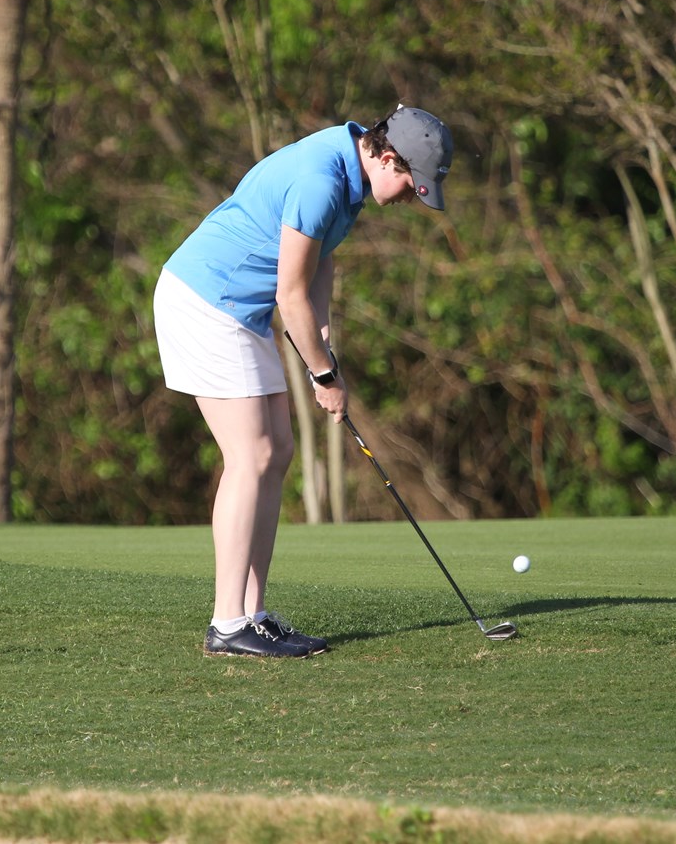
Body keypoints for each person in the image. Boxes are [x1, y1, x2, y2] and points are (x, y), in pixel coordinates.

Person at [153, 105, 455, 658]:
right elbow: (289, 295)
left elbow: (319, 266)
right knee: (250, 456)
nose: (411, 199)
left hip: (238, 311)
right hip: (205, 302)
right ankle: (228, 623)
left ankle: (253, 615)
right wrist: (324, 375)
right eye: (413, 186)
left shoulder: (349, 172)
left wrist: (326, 350)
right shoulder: (321, 179)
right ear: (389, 157)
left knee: (278, 451)